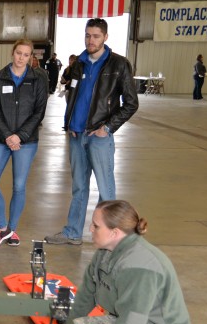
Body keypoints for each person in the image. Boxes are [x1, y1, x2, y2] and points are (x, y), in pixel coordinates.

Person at [73, 200, 191, 324]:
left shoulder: (139, 266)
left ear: (115, 232)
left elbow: (130, 323)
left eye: (96, 225)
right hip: (135, 323)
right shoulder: (105, 254)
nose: (90, 228)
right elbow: (87, 294)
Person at [45, 17, 138, 246]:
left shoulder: (118, 64)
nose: (91, 40)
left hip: (99, 137)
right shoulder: (79, 63)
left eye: (96, 36)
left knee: (106, 192)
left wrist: (107, 128)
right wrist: (69, 125)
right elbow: (73, 95)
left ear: (105, 37)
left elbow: (131, 103)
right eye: (88, 35)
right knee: (79, 188)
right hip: (77, 136)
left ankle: (113, 240)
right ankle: (73, 232)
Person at [0, 39, 48, 247]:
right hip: (0, 139)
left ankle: (13, 229)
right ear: (13, 53)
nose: (21, 58)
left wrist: (20, 136)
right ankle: (3, 228)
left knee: (19, 186)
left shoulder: (38, 79)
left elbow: (39, 111)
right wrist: (8, 136)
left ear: (31, 57)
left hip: (26, 142)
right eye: (18, 53)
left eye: (26, 55)